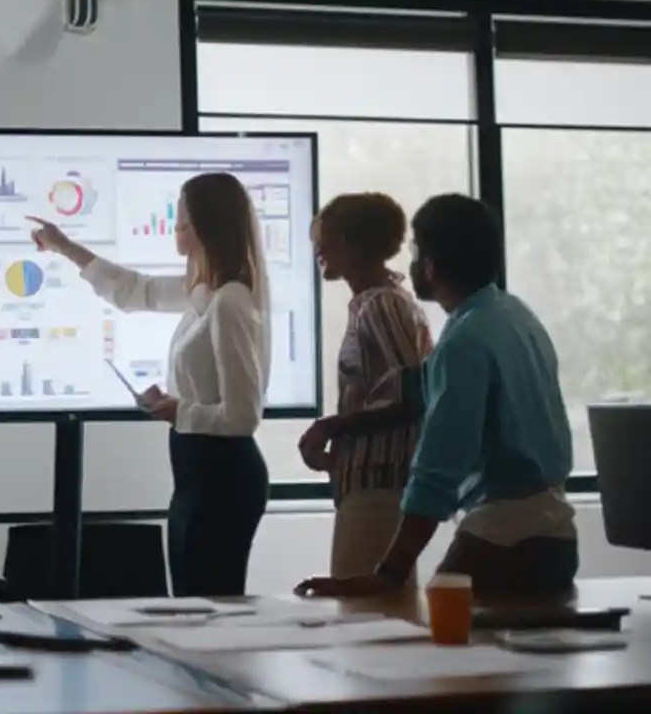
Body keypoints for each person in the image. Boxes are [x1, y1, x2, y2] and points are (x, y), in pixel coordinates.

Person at [296, 193, 577, 599]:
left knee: (429, 647)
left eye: (415, 251)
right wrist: (335, 421)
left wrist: (389, 573)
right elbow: (421, 382)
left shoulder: (462, 342)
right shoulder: (515, 317)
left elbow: (438, 465)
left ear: (431, 264)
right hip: (557, 535)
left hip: (502, 538)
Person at [29, 172, 270, 597]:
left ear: (207, 226)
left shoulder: (230, 300)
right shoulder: (203, 292)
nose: (176, 228)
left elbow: (243, 416)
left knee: (210, 608)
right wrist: (64, 246)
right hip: (195, 471)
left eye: (183, 219)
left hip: (223, 476)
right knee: (193, 603)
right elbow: (135, 292)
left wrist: (182, 410)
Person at [297, 194, 433, 580]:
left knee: (364, 616)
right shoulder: (382, 303)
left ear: (351, 241)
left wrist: (329, 427)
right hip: (370, 484)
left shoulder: (381, 306)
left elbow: (410, 396)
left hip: (380, 485)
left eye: (327, 237)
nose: (319, 248)